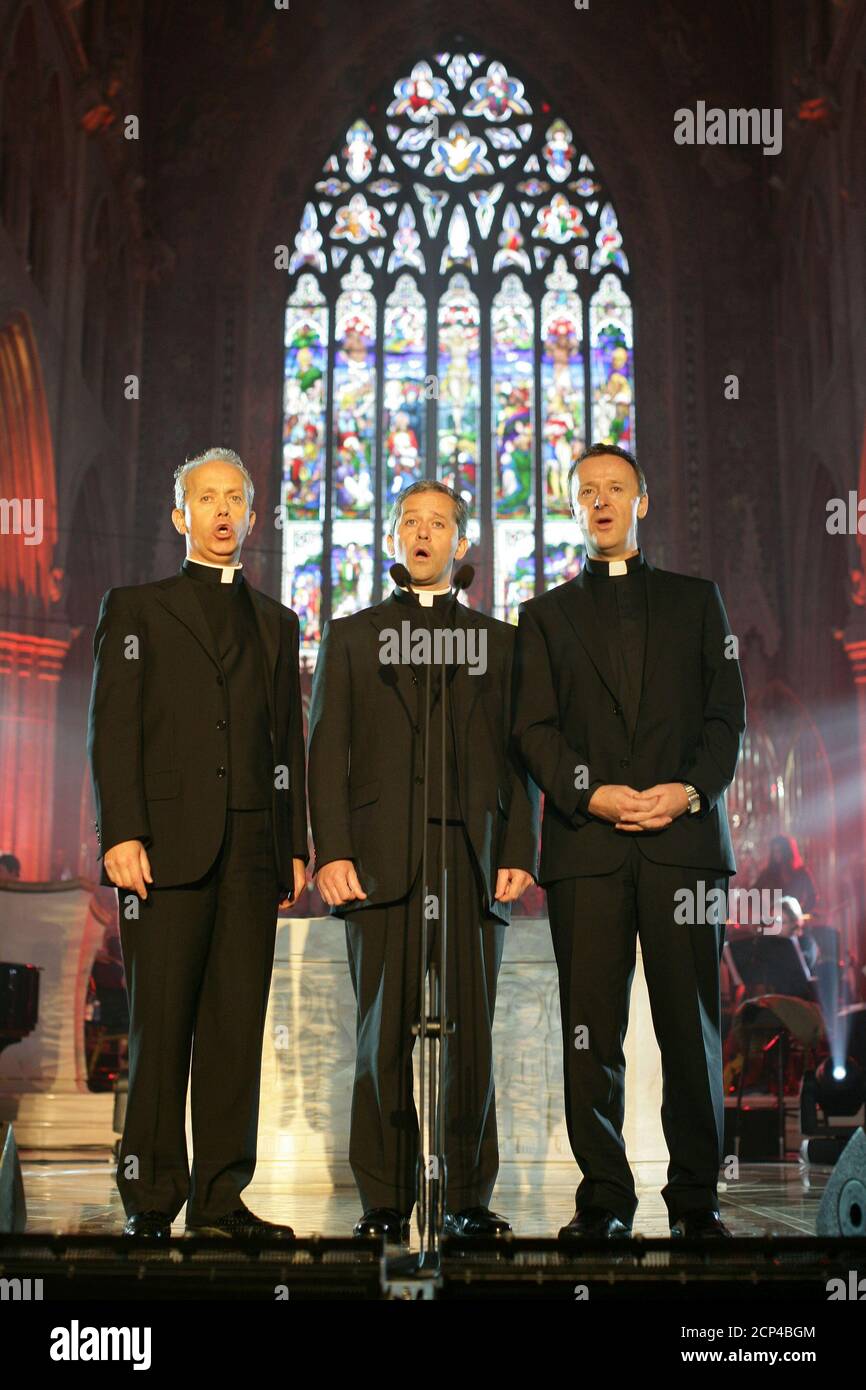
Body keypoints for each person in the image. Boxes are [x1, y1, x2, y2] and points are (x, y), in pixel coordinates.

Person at [513, 443, 746, 1241]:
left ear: (642, 501)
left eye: (616, 488)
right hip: (589, 849)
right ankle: (604, 1199)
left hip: (682, 846)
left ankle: (695, 1201)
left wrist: (686, 792)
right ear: (573, 508)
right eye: (587, 492)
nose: (602, 501)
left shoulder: (698, 602)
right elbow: (533, 730)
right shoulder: (541, 616)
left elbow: (725, 721)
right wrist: (591, 792)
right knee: (592, 1034)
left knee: (690, 1032)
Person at [307, 479, 540, 1243]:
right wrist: (332, 850)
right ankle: (382, 1201)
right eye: (409, 520)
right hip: (377, 861)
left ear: (460, 544)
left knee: (471, 1035)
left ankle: (469, 1200)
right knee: (381, 1036)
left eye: (439, 523)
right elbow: (322, 756)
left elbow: (518, 760)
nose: (423, 532)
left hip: (471, 861)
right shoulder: (349, 635)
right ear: (391, 538)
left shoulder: (500, 644)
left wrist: (517, 848)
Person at [87, 447, 308, 1240]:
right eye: (204, 498)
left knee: (231, 1032)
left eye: (234, 500)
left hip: (252, 855)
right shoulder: (136, 608)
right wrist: (121, 832)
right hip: (164, 852)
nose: (220, 512)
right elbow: (112, 728)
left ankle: (220, 1202)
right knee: (161, 1031)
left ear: (252, 517)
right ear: (180, 515)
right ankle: (151, 1200)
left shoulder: (279, 624)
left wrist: (295, 842)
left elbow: (289, 743)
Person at [753, 835, 818, 916]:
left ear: (787, 851)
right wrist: (764, 911)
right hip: (773, 920)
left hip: (793, 921)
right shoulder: (768, 873)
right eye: (774, 851)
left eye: (779, 851)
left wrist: (800, 912)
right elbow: (752, 893)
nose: (776, 854)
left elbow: (812, 897)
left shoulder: (801, 873)